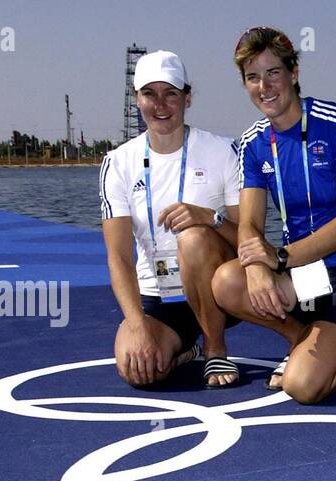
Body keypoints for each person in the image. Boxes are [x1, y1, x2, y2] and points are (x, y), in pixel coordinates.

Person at [211, 26, 336, 403]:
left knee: (300, 387)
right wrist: (255, 268)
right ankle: (317, 339)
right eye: (252, 77)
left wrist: (280, 258)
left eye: (273, 73)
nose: (264, 87)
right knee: (226, 283)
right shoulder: (253, 143)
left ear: (293, 73)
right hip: (306, 275)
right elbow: (250, 223)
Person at [100, 50, 245, 388]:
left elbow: (247, 241)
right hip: (159, 298)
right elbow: (119, 256)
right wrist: (136, 324)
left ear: (188, 98)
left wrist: (209, 218)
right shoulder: (119, 163)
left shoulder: (223, 151)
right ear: (137, 99)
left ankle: (214, 347)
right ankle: (186, 350)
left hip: (221, 292)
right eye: (149, 94)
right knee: (137, 369)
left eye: (171, 94)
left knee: (192, 237)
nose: (160, 105)